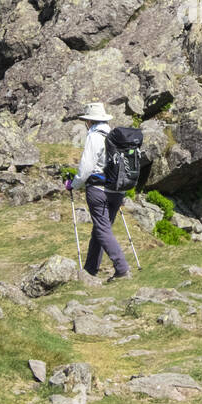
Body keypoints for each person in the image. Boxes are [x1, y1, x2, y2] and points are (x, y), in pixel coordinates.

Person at [65, 102, 131, 281]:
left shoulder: (94, 136)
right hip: (117, 190)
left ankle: (122, 268)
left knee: (102, 229)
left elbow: (86, 167)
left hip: (98, 189)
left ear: (89, 121)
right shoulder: (114, 135)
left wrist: (74, 184)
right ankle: (90, 270)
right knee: (101, 229)